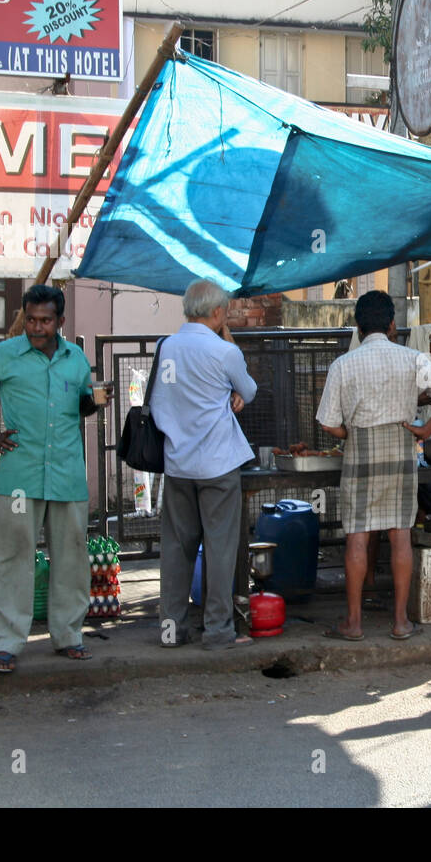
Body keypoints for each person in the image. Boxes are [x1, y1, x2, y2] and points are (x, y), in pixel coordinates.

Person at [0, 284, 111, 674]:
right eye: (31, 319)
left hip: (68, 475)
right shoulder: (3, 355)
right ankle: (4, 643)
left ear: (61, 320)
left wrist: (93, 401)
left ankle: (69, 635)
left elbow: (79, 408)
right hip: (20, 477)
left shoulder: (76, 359)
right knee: (12, 557)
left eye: (45, 320)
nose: (37, 328)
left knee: (72, 558)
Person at [316, 291, 431, 640]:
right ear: (393, 325)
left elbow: (327, 423)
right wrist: (425, 429)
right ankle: (400, 623)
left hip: (360, 451)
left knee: (358, 536)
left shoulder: (343, 365)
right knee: (399, 535)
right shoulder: (412, 358)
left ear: (358, 327)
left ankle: (353, 623)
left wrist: (348, 431)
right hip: (401, 449)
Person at [150, 279, 259, 650]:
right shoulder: (223, 351)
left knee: (177, 549)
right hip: (217, 464)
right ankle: (217, 632)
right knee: (220, 548)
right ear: (217, 313)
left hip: (177, 463)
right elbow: (249, 391)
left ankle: (171, 630)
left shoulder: (166, 347)